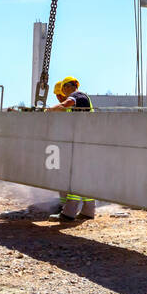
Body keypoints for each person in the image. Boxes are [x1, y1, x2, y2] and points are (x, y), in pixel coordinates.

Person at [47, 76, 95, 221]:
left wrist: (47, 111)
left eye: (63, 91)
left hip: (81, 143)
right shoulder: (81, 100)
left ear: (69, 87)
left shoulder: (77, 96)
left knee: (73, 177)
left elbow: (67, 103)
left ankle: (69, 212)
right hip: (85, 142)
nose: (62, 95)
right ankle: (88, 210)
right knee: (83, 178)